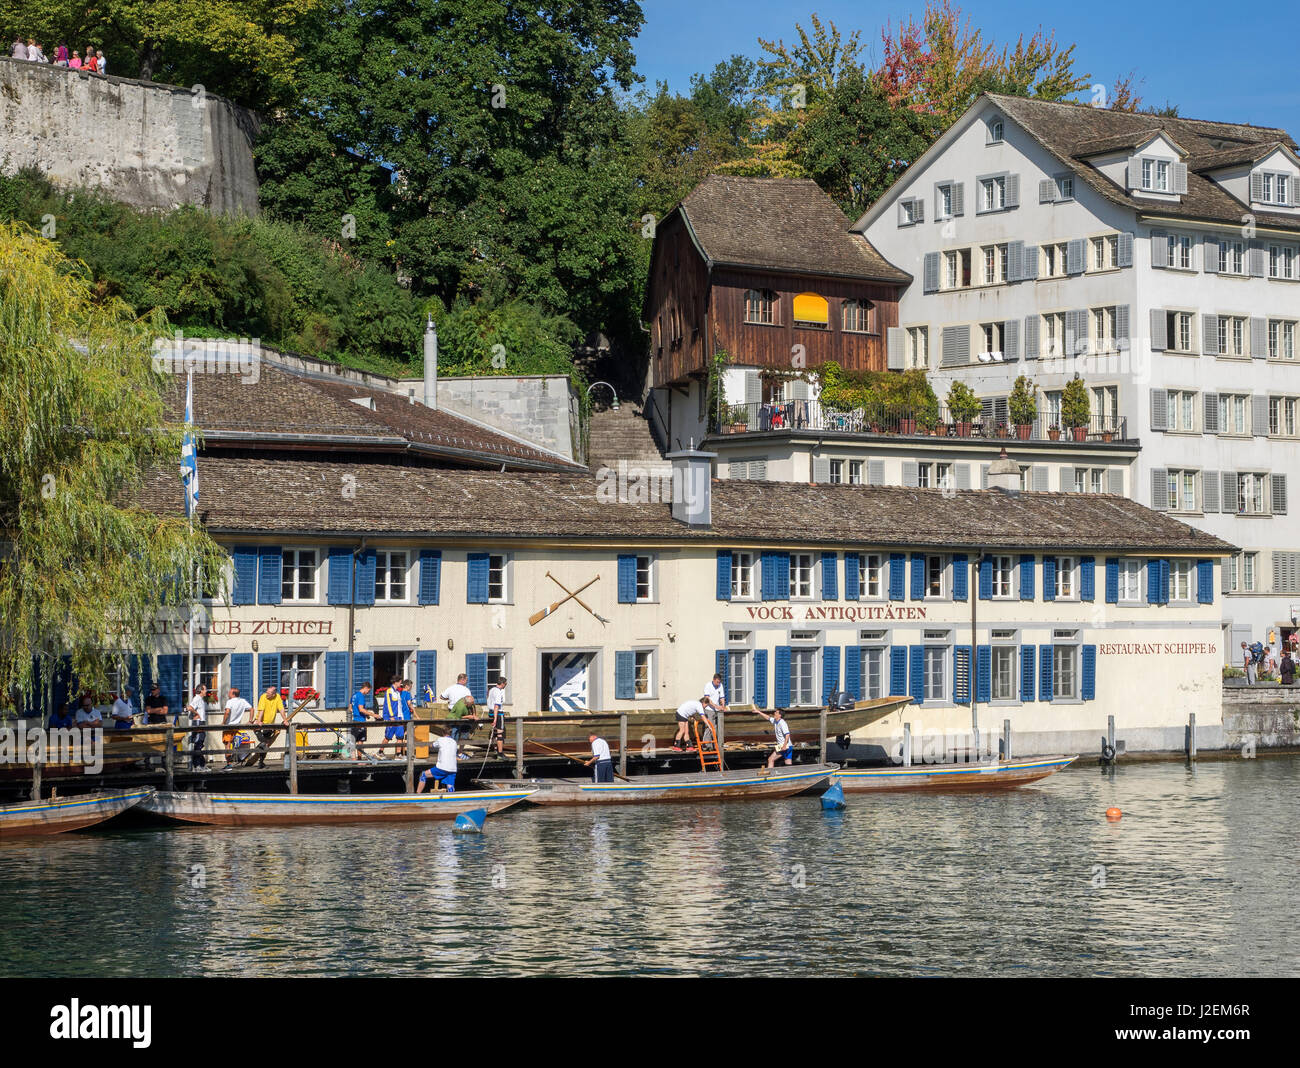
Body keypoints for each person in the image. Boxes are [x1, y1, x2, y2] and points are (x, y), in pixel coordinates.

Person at [250, 682, 286, 768]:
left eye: (268, 693)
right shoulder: (263, 697)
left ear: (274, 694)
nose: (266, 694)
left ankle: (261, 762)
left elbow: (281, 709)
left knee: (265, 744)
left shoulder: (277, 697)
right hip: (260, 723)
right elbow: (261, 710)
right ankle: (261, 761)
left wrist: (285, 720)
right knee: (264, 742)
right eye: (266, 692)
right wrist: (259, 721)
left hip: (270, 724)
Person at [438, 674, 477, 741]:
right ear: (463, 680)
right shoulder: (466, 690)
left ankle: (453, 747)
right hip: (464, 713)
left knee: (453, 732)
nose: (467, 682)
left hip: (452, 711)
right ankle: (459, 750)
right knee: (464, 733)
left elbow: (441, 697)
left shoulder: (450, 688)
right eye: (466, 680)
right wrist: (473, 715)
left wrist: (450, 699)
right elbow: (471, 702)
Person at [221, 686, 252, 767]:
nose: (228, 694)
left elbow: (227, 712)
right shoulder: (242, 701)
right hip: (237, 726)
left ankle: (229, 764)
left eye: (229, 692)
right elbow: (252, 709)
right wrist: (250, 720)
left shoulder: (230, 702)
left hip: (228, 726)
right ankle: (242, 756)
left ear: (233, 694)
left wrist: (223, 722)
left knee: (227, 745)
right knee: (234, 744)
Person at [349, 681, 375, 761]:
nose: (368, 693)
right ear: (366, 688)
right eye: (369, 691)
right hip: (360, 721)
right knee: (360, 741)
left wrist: (363, 713)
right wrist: (373, 715)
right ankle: (359, 759)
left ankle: (354, 760)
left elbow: (350, 708)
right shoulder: (361, 696)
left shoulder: (354, 695)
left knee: (353, 741)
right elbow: (361, 709)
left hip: (354, 720)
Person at [185, 684, 209, 769]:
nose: (206, 691)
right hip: (198, 722)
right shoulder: (197, 698)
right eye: (205, 689)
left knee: (200, 742)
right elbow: (189, 707)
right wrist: (197, 714)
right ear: (201, 691)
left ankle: (201, 764)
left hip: (201, 722)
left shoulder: (200, 699)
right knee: (198, 743)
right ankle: (197, 765)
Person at [485, 676, 508, 757]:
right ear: (502, 683)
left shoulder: (491, 690)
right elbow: (496, 706)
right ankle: (500, 753)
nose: (505, 686)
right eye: (505, 684)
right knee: (500, 733)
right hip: (497, 714)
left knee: (494, 733)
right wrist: (495, 719)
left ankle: (495, 750)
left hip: (491, 712)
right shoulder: (498, 692)